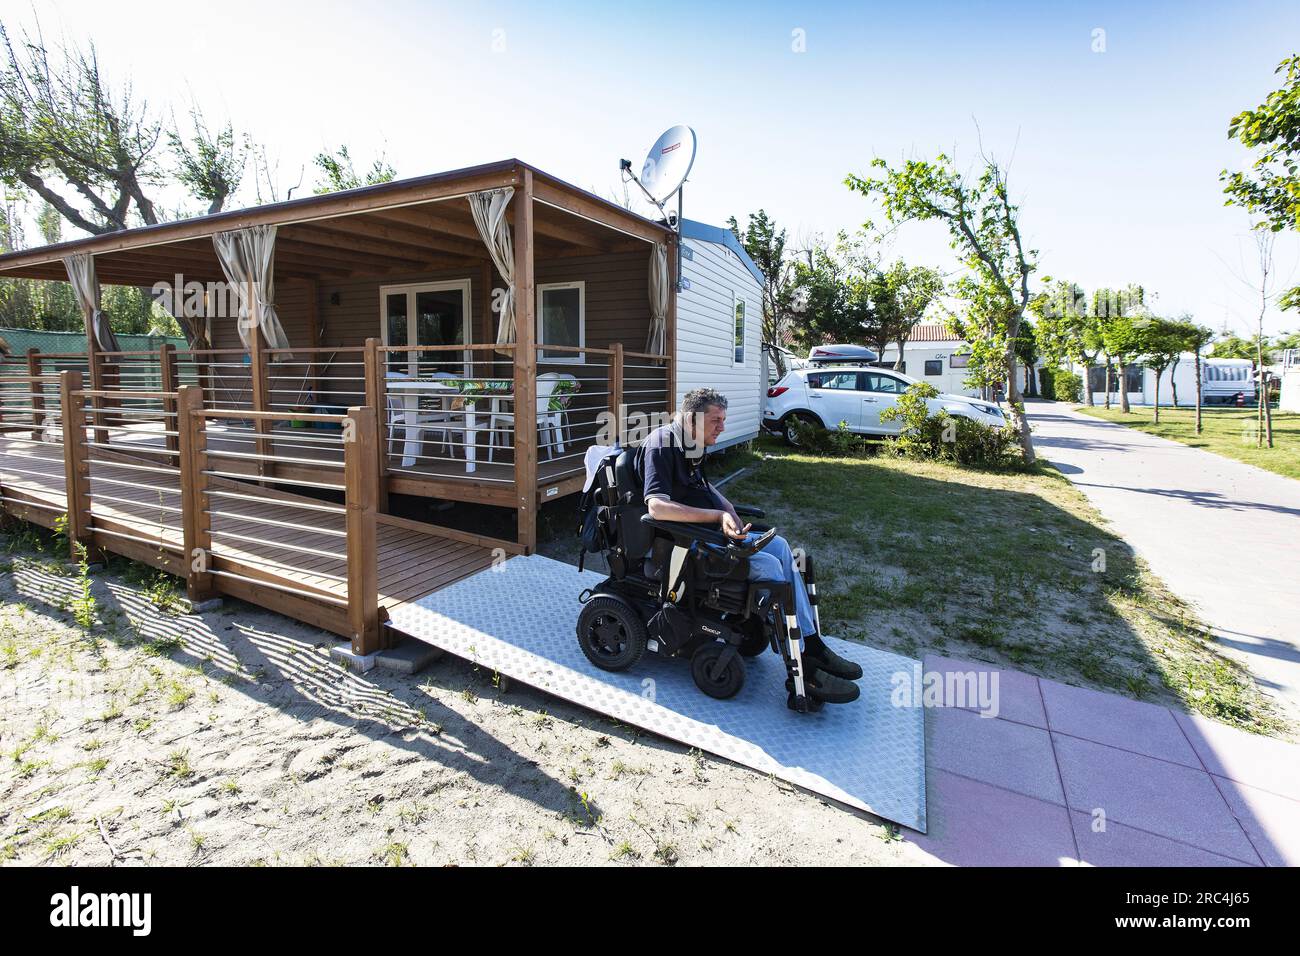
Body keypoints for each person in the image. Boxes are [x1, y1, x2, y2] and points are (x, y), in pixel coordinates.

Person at [635, 387, 861, 701]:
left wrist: (727, 509)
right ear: (690, 419)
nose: (722, 428)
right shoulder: (662, 445)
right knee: (768, 568)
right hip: (681, 547)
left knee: (781, 546)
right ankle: (804, 671)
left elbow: (701, 486)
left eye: (723, 420)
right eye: (716, 420)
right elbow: (656, 507)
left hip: (708, 537)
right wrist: (716, 517)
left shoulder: (691, 443)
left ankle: (812, 645)